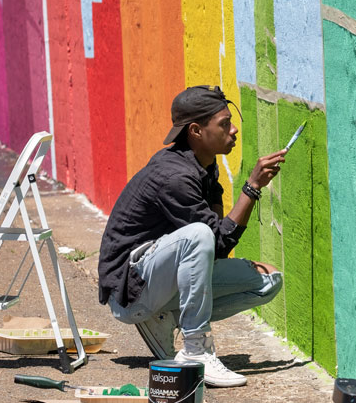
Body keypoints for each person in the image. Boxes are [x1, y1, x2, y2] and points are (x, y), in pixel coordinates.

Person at [97, 85, 287, 387]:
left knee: (268, 280)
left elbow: (217, 249)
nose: (234, 129)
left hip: (158, 278)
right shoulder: (175, 177)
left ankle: (165, 318)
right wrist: (251, 188)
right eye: (224, 124)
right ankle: (195, 350)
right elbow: (213, 240)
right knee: (198, 234)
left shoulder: (204, 166)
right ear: (196, 131)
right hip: (131, 291)